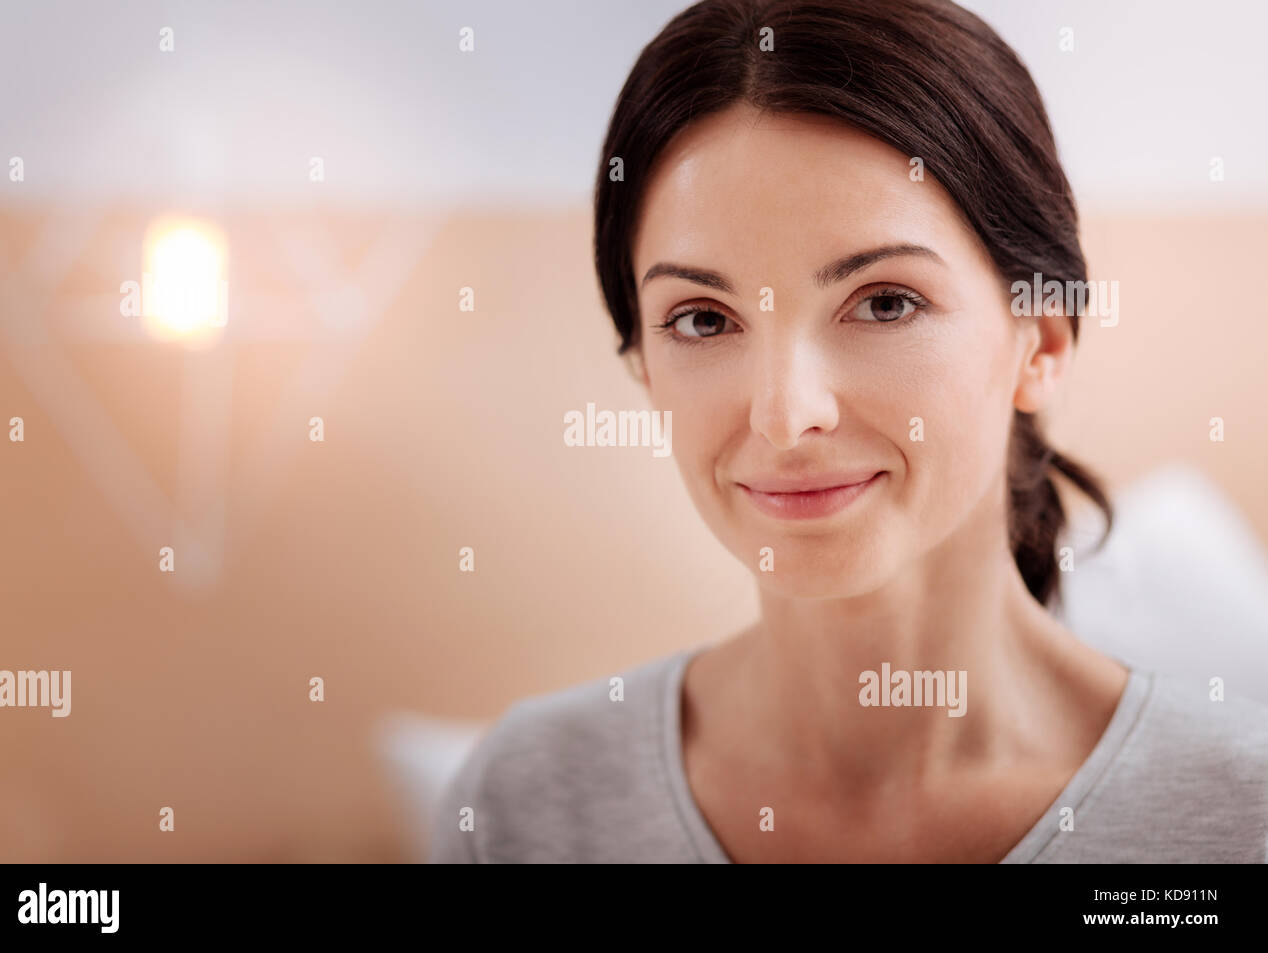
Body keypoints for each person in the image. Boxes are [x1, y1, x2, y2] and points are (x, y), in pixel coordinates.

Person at [427, 0, 1268, 863]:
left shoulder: (1240, 817)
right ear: (642, 363)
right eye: (703, 320)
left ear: (1041, 338)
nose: (786, 416)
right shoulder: (524, 807)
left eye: (884, 302)